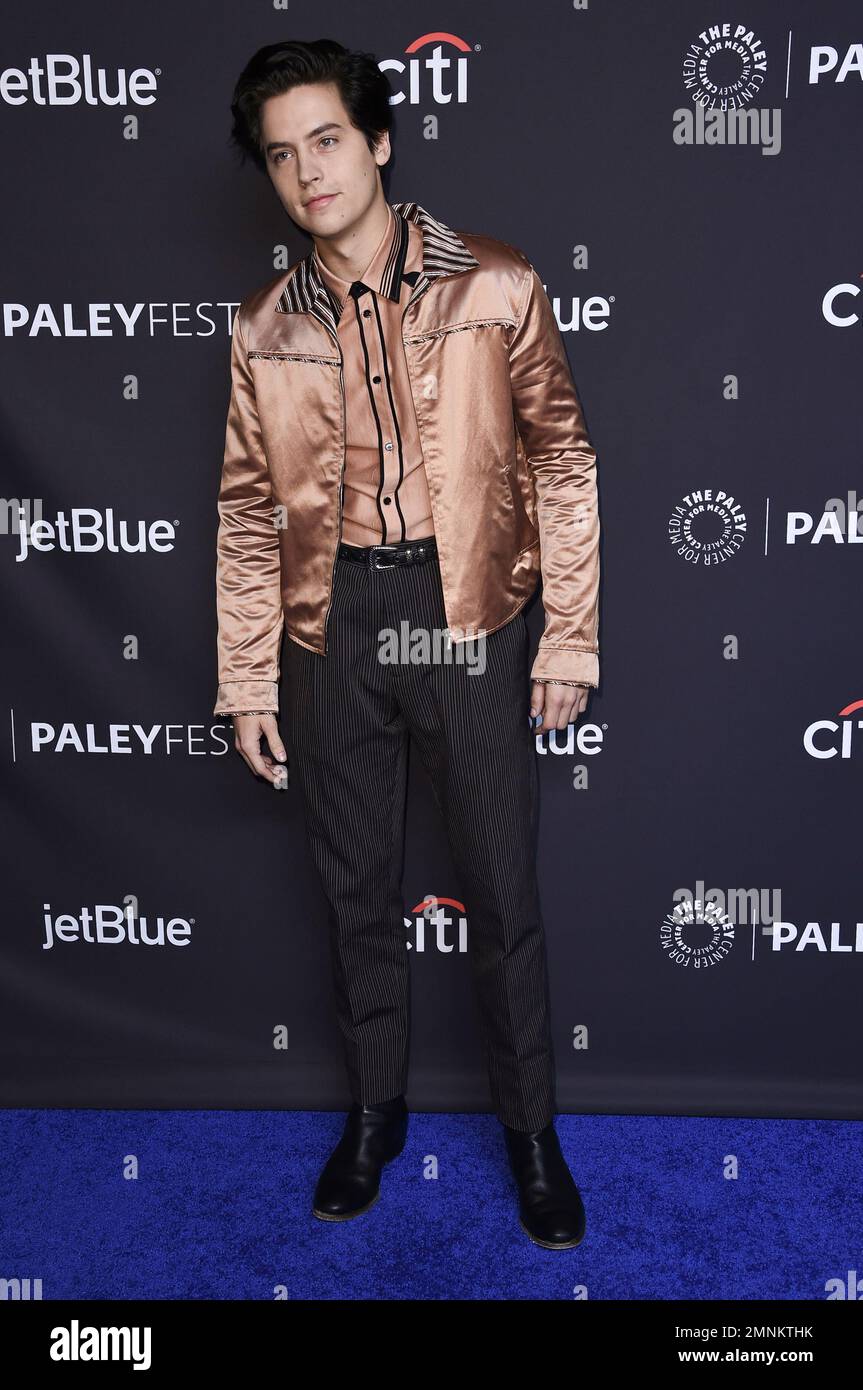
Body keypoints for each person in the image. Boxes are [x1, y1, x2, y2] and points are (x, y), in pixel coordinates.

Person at [214, 38, 600, 1250]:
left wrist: (568, 637)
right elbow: (242, 511)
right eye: (281, 155)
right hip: (332, 624)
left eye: (325, 140)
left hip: (467, 614)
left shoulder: (494, 282)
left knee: (501, 887)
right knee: (353, 893)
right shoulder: (262, 326)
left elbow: (563, 460)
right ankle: (375, 1115)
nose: (306, 172)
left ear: (377, 142)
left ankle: (529, 1133)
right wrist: (244, 674)